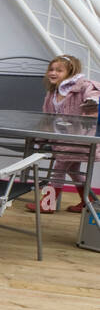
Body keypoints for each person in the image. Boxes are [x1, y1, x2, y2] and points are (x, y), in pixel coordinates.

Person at [26, 54, 99, 214]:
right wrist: (41, 138)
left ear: (71, 72)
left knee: (58, 169)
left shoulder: (81, 88)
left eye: (59, 70)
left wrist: (93, 102)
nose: (53, 73)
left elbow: (94, 91)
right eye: (51, 69)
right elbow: (47, 118)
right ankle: (89, 201)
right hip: (61, 141)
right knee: (73, 171)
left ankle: (47, 203)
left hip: (79, 139)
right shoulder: (52, 93)